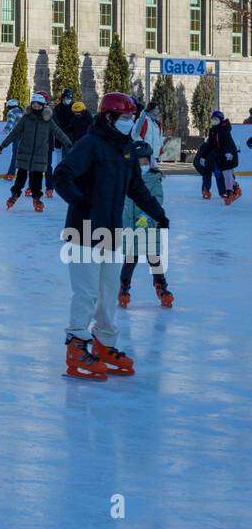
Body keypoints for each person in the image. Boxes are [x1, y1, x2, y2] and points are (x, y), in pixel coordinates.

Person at [54, 92, 170, 380]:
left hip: (111, 230)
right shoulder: (90, 144)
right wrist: (79, 200)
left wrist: (158, 213)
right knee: (86, 292)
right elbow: (62, 174)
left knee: (107, 292)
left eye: (132, 116)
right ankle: (76, 346)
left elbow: (136, 187)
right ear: (109, 117)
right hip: (83, 230)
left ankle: (104, 344)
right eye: (125, 117)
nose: (130, 121)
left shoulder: (126, 148)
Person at [118, 140, 173, 309]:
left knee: (154, 258)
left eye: (145, 162)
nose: (142, 165)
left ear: (150, 161)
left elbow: (157, 200)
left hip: (149, 227)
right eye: (139, 162)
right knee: (130, 260)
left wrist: (145, 218)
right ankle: (124, 287)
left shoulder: (154, 178)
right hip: (129, 226)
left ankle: (161, 285)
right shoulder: (125, 178)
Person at [0, 93, 71, 211]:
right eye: (34, 105)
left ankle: (36, 198)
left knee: (37, 178)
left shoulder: (48, 120)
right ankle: (15, 194)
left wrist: (69, 143)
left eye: (38, 105)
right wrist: (2, 146)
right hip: (24, 152)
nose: (36, 107)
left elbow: (58, 133)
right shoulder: (26, 118)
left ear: (43, 106)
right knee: (21, 176)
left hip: (40, 154)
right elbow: (14, 133)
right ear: (31, 105)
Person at [198, 110, 241, 204]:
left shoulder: (224, 129)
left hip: (230, 154)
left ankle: (229, 194)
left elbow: (227, 142)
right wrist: (203, 156)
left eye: (216, 119)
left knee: (227, 173)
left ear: (221, 120)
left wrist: (228, 152)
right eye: (213, 119)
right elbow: (210, 145)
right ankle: (236, 188)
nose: (214, 120)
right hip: (221, 155)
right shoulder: (213, 130)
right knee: (226, 174)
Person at [2, 98, 24, 180]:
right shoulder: (22, 111)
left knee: (15, 155)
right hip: (26, 135)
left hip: (17, 135)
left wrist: (5, 130)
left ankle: (11, 174)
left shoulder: (11, 112)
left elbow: (10, 122)